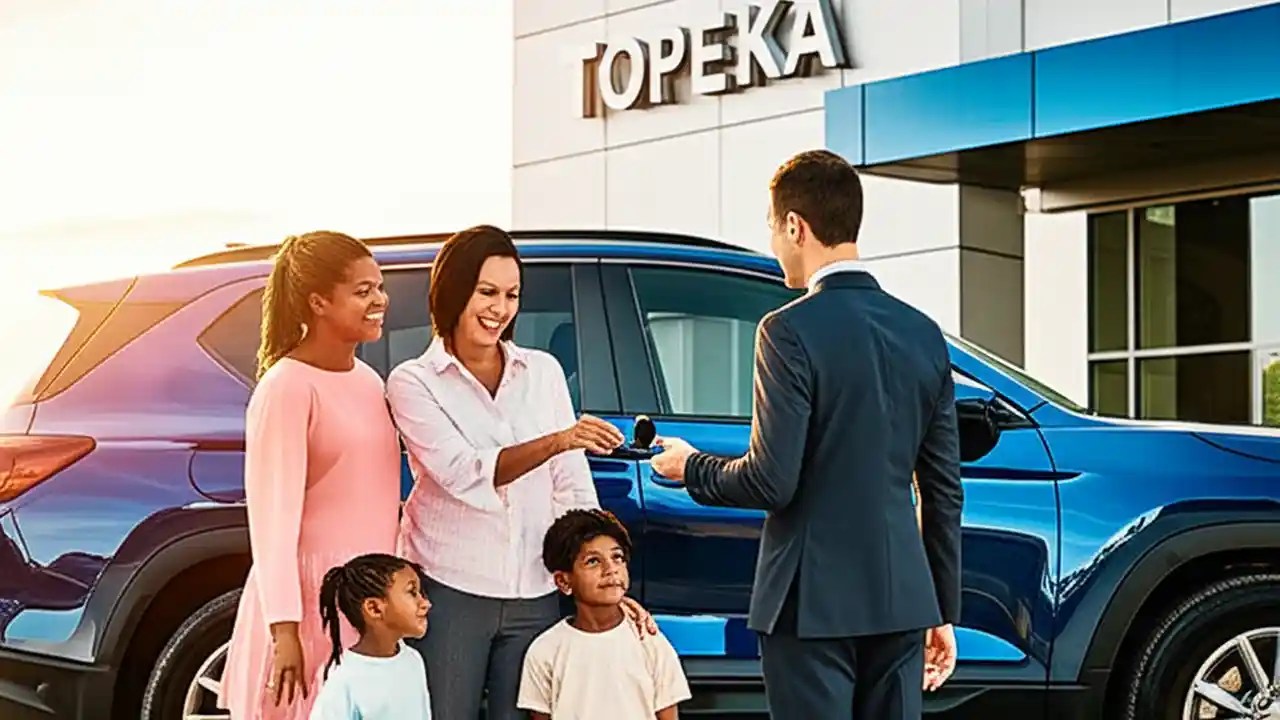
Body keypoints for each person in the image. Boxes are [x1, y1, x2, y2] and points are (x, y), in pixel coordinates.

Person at [650, 149, 964, 719]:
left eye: (773, 228)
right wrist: (940, 608)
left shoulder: (787, 330)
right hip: (903, 603)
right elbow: (943, 490)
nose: (774, 244)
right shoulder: (924, 333)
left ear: (795, 225)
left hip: (809, 602)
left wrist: (690, 466)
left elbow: (772, 480)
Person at [385, 225, 658, 720]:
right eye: (487, 292)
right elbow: (464, 472)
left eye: (511, 295)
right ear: (454, 290)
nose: (500, 308)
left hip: (535, 591)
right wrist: (559, 439)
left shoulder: (543, 372)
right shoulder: (413, 382)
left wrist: (604, 584)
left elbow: (571, 485)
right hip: (450, 589)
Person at [218, 231, 402, 719]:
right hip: (309, 603)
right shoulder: (286, 387)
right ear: (318, 302)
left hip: (365, 600)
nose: (380, 300)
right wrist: (284, 630)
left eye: (379, 287)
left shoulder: (369, 382)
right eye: (362, 291)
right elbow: (272, 523)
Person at [517, 509, 691, 720]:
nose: (611, 569)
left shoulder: (649, 642)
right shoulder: (545, 650)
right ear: (563, 581)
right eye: (593, 561)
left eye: (617, 557)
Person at [308, 553, 433, 719]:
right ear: (374, 608)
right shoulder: (345, 680)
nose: (426, 603)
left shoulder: (413, 661)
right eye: (412, 592)